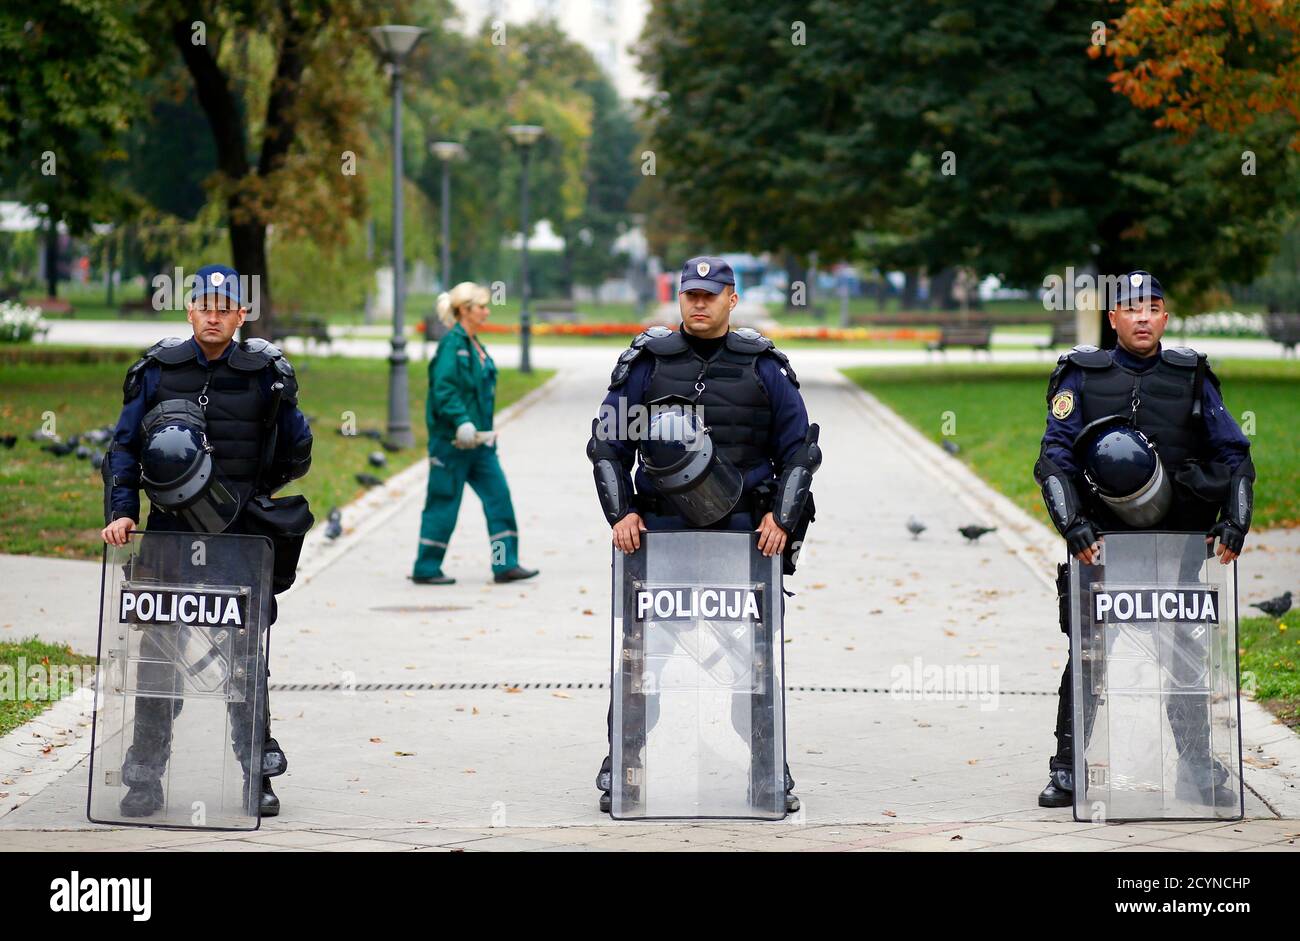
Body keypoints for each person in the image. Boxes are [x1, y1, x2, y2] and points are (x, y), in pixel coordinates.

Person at [587, 256, 821, 813]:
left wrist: (782, 519)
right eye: (690, 293)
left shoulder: (763, 366)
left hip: (743, 543)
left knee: (753, 664)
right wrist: (620, 512)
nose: (698, 302)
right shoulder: (647, 364)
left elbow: (799, 452)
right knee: (641, 662)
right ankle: (624, 767)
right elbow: (606, 446)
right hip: (660, 539)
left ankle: (768, 769)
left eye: (709, 294)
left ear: (730, 299)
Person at [1033, 270, 1254, 808]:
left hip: (1174, 543)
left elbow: (1235, 454)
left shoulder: (1191, 374)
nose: (1142, 318)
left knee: (1184, 658)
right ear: (1113, 318)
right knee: (1090, 655)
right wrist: (1073, 526)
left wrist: (1235, 520)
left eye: (1153, 308)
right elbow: (1053, 460)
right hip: (1102, 546)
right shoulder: (1081, 374)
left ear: (1165, 317)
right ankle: (1068, 769)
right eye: (1132, 309)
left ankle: (1198, 769)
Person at [101, 263, 314, 817]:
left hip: (238, 539)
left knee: (246, 660)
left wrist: (250, 487)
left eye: (226, 308)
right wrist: (123, 512)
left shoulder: (266, 373)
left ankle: (256, 775)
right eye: (204, 307)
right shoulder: (156, 371)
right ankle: (143, 778)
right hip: (167, 540)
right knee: (158, 661)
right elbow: (122, 448)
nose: (213, 316)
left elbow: (297, 453)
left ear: (241, 314)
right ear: (189, 310)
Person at [411, 281, 537, 585]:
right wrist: (461, 421)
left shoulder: (474, 344)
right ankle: (426, 568)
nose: (487, 310)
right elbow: (444, 390)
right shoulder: (452, 345)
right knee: (443, 502)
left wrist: (479, 429)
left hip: (479, 444)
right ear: (465, 310)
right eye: (481, 306)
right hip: (452, 443)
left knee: (499, 498)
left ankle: (504, 564)